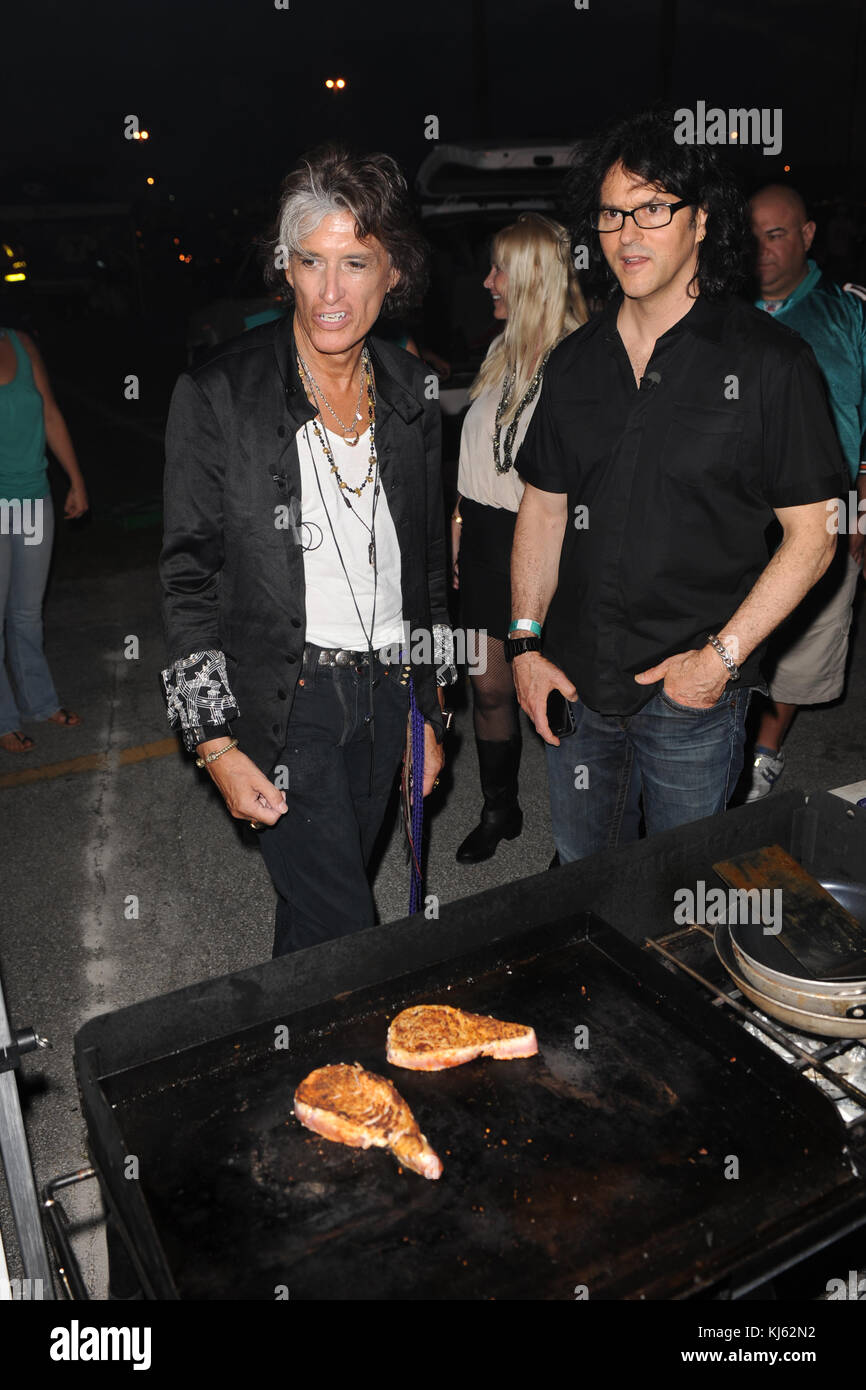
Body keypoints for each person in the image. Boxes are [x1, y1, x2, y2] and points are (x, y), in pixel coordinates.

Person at [507, 109, 848, 863]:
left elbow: (815, 531)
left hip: (691, 697)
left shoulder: (770, 362)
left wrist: (720, 660)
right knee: (582, 881)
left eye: (654, 208)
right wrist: (525, 642)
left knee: (681, 893)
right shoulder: (573, 363)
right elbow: (543, 505)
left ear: (700, 222)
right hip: (576, 682)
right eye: (611, 213)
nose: (628, 233)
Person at [160, 147, 455, 957]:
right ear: (285, 269)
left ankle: (293, 1063)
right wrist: (213, 741)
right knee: (348, 931)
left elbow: (426, 574)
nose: (331, 292)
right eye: (311, 262)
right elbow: (188, 579)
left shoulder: (413, 396)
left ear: (393, 272)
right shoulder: (219, 396)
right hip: (288, 704)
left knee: (321, 919)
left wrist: (430, 710)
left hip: (388, 689)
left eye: (356, 262)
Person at [451, 214, 587, 862]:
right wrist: (457, 525)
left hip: (544, 546)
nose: (488, 281)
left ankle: (577, 833)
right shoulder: (499, 348)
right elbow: (480, 451)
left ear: (534, 278)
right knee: (490, 689)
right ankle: (499, 809)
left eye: (500, 268)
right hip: (481, 537)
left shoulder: (580, 362)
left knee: (555, 694)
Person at [743, 184, 866, 800]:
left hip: (825, 511)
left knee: (804, 641)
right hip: (734, 513)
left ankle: (764, 754)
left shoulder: (850, 312)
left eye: (778, 233)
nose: (763, 250)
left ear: (808, 235)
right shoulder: (719, 309)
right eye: (753, 235)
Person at [0, 325, 87, 753]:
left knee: (26, 614)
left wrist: (75, 479)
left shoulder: (20, 343)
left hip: (34, 498)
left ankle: (40, 702)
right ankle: (3, 719)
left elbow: (49, 412)